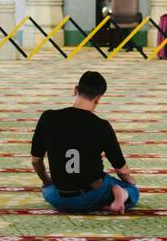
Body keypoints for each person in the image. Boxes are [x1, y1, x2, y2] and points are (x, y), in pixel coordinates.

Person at [31, 70, 138, 214]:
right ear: (98, 98)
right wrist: (130, 182)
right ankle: (120, 196)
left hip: (60, 198)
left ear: (75, 89)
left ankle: (102, 200)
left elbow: (36, 160)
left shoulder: (48, 117)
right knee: (132, 190)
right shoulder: (102, 126)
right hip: (91, 194)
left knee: (47, 189)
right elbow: (121, 169)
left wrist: (46, 180)